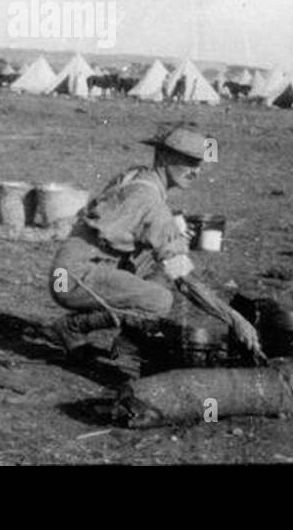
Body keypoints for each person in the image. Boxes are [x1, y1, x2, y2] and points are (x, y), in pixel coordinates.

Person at [46, 125, 262, 359]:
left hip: (66, 268)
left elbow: (122, 219)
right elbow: (185, 281)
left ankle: (128, 337)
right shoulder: (152, 204)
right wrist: (235, 318)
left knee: (158, 264)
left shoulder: (137, 176)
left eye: (199, 164)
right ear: (164, 157)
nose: (196, 171)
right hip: (70, 281)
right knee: (160, 300)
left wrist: (171, 229)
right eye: (190, 162)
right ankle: (72, 327)